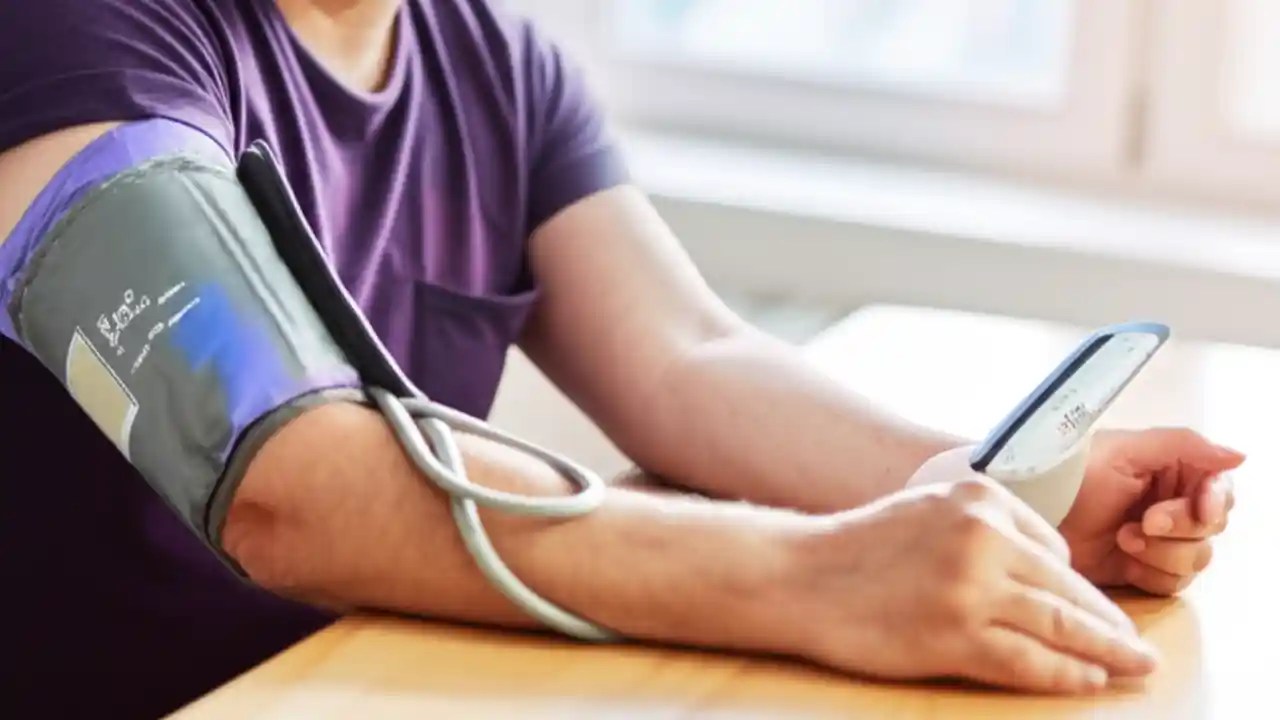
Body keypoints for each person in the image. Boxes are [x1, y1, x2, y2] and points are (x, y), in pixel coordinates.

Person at [0, 1, 1243, 717]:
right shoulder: (74, 42)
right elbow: (279, 475)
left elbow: (685, 362)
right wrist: (811, 578)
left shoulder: (491, 62)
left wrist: (980, 493)